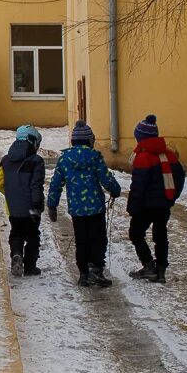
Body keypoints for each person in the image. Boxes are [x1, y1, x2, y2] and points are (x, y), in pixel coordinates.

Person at [48, 120, 121, 287]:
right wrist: (115, 190)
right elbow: (106, 178)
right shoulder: (95, 157)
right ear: (90, 140)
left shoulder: (65, 159)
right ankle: (96, 270)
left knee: (81, 240)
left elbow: (56, 183)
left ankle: (83, 273)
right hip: (96, 208)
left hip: (77, 209)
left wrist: (52, 204)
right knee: (98, 239)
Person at [127, 114, 185, 283]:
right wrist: (172, 197)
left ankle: (148, 265)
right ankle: (161, 269)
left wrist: (132, 207)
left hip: (145, 207)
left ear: (140, 138)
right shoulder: (170, 155)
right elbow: (180, 178)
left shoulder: (143, 158)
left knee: (136, 234)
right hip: (163, 205)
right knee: (160, 236)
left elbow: (138, 186)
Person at [0, 125, 47, 276]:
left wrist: (10, 193)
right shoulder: (36, 161)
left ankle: (16, 254)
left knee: (16, 233)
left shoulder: (6, 160)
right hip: (31, 208)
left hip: (13, 207)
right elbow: (36, 185)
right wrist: (37, 205)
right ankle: (30, 267)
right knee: (32, 236)